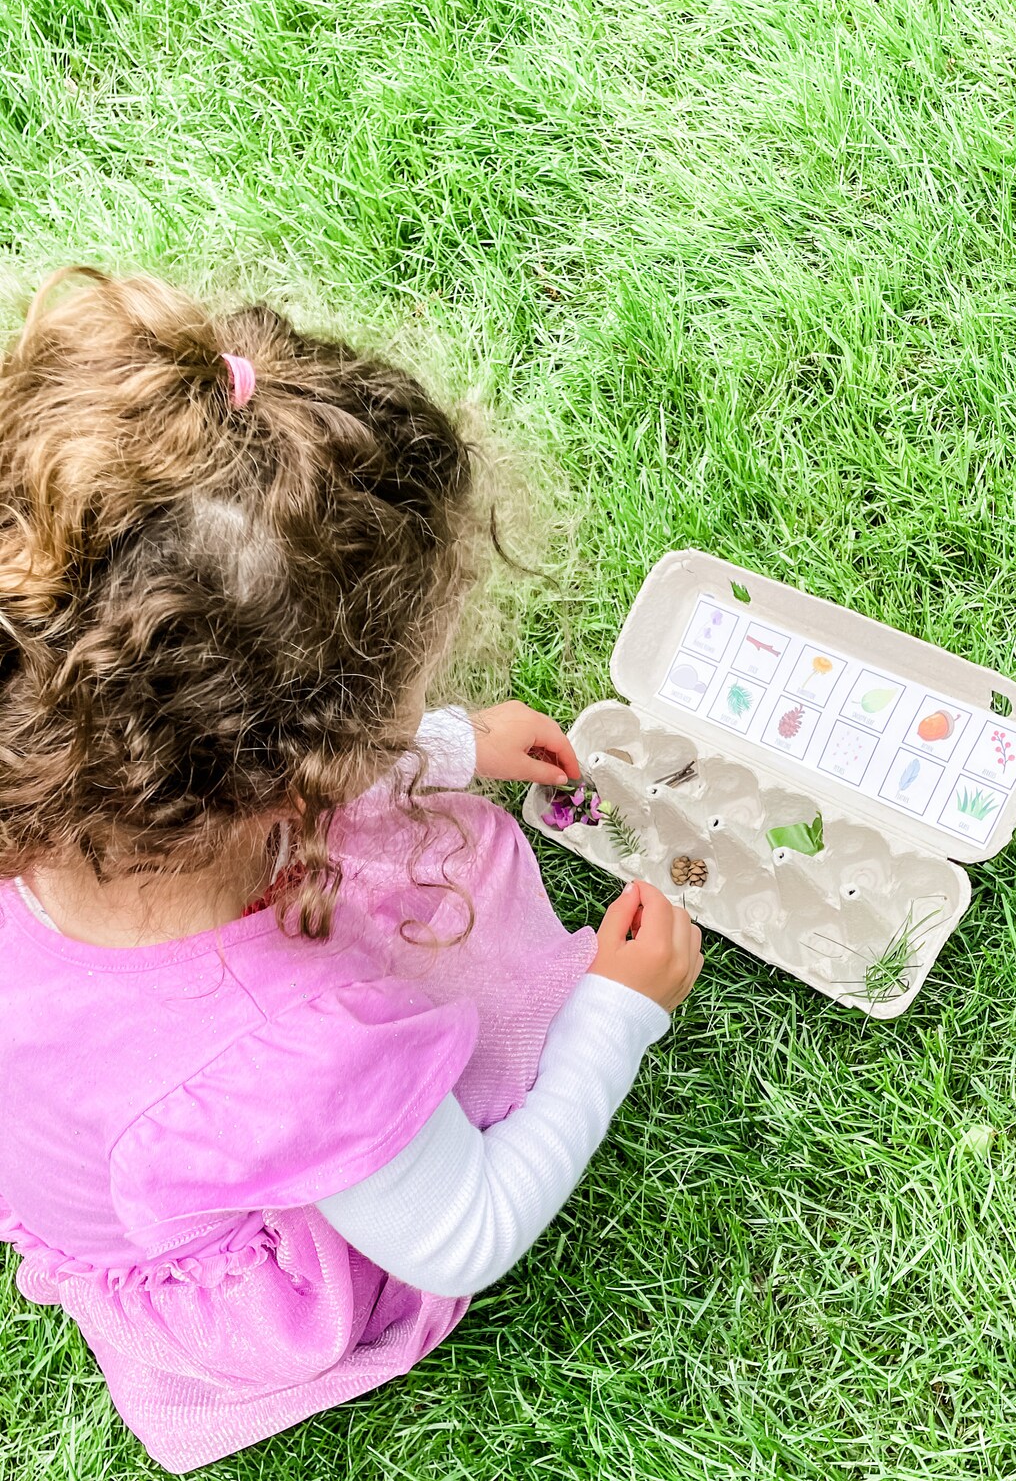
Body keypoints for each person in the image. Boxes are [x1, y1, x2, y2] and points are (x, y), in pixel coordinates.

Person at [0, 269, 702, 1473]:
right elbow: (468, 1226)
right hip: (229, 1189)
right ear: (299, 772)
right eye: (403, 702)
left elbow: (213, 756)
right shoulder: (293, 1054)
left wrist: (443, 745)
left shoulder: (55, 766)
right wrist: (615, 1015)